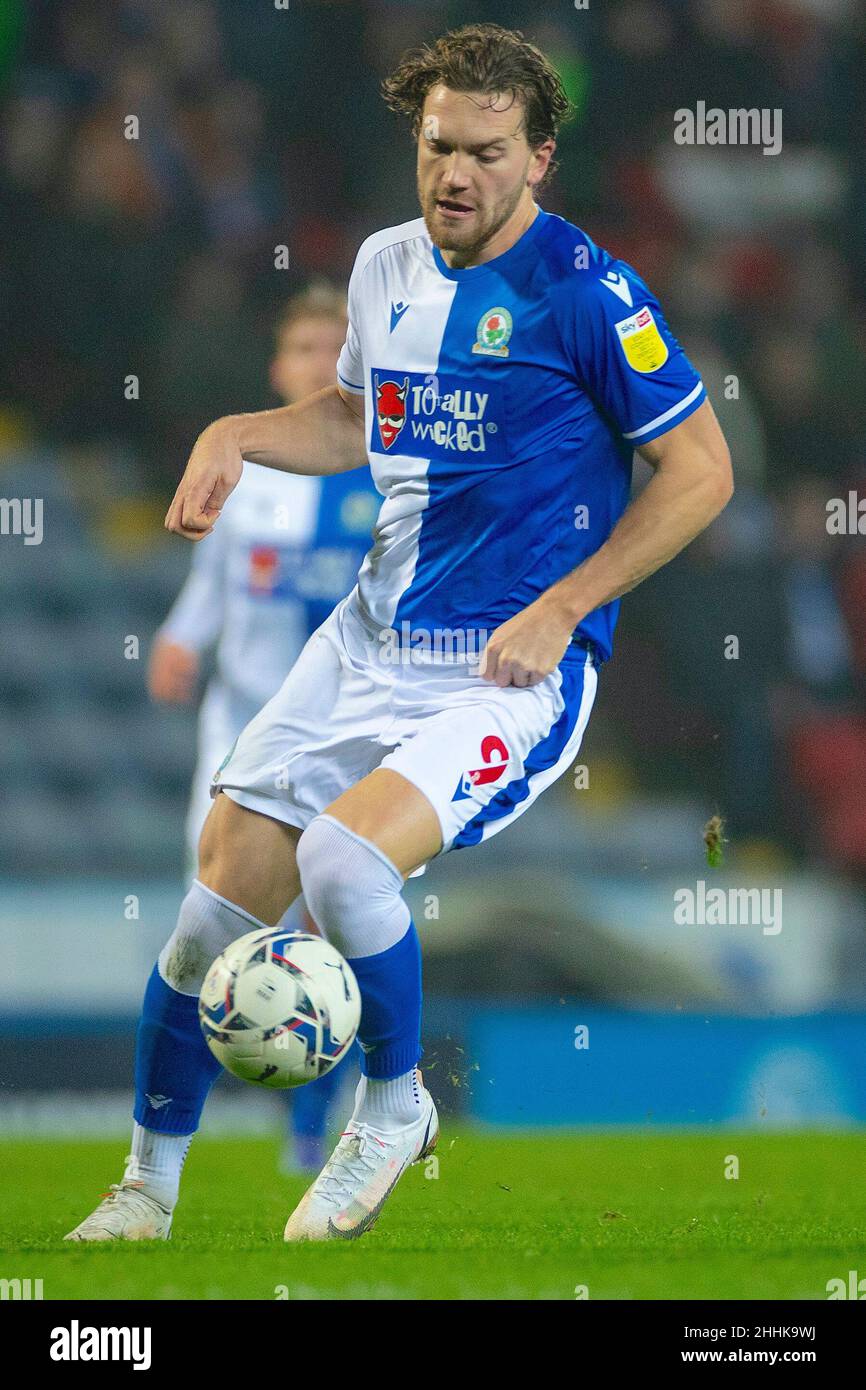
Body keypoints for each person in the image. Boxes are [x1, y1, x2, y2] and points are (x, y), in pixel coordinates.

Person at [67, 22, 732, 1245]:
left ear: (538, 158)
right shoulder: (380, 266)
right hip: (367, 639)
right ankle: (144, 1191)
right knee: (210, 913)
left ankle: (392, 1105)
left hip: (507, 665)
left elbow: (698, 469)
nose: (454, 175)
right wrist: (239, 430)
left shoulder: (586, 292)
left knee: (341, 858)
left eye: (485, 151)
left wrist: (566, 603)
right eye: (437, 146)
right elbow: (359, 421)